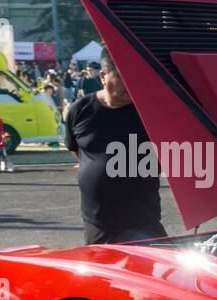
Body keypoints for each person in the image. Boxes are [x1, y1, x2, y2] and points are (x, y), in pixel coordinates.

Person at [64, 49, 167, 244]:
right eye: (122, 77)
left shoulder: (149, 113)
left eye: (135, 76)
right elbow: (79, 154)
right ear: (103, 76)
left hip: (142, 223)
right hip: (97, 225)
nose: (131, 84)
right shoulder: (80, 110)